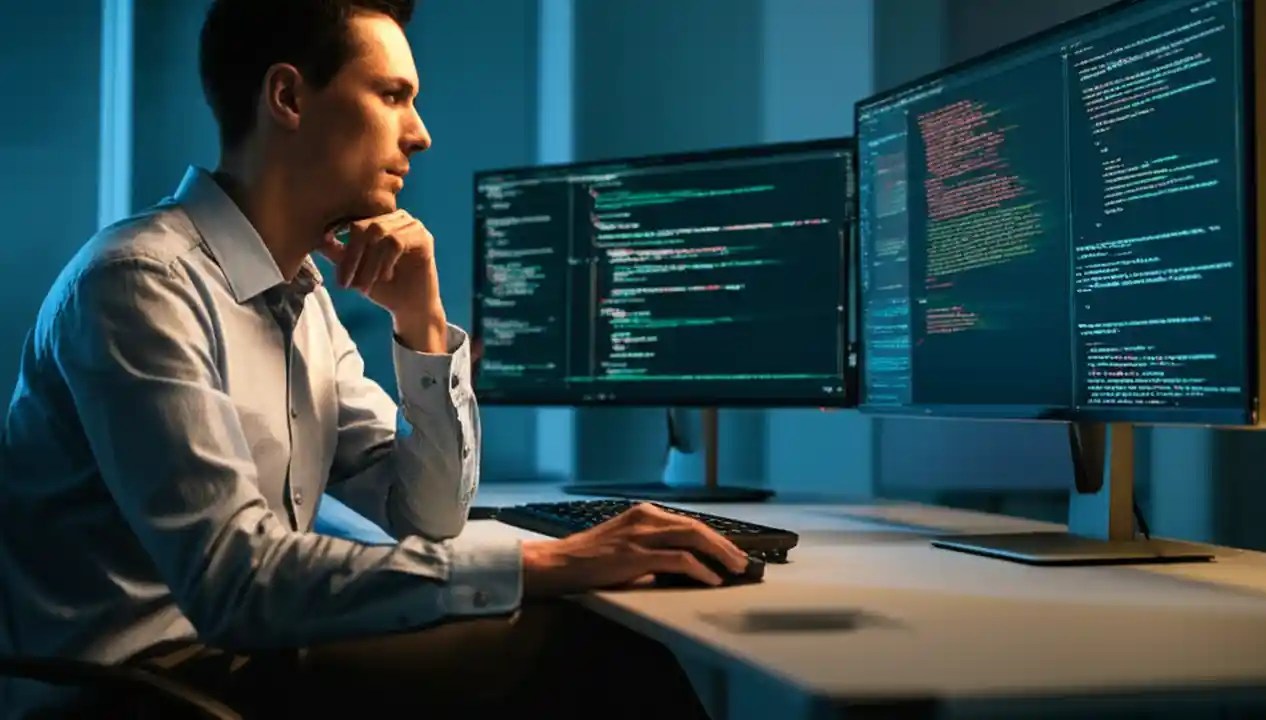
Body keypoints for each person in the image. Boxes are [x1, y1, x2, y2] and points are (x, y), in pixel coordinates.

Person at [0, 0, 750, 717]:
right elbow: (235, 583)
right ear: (288, 97)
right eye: (392, 95)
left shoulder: (302, 298)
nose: (419, 133)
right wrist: (545, 566)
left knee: (598, 648)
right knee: (594, 655)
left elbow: (427, 514)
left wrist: (422, 325)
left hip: (239, 659)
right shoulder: (139, 285)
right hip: (143, 692)